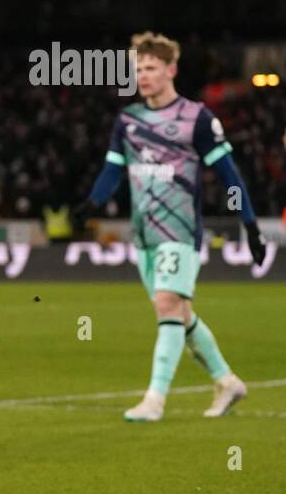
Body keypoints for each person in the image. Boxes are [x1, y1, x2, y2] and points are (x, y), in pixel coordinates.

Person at [76, 32, 266, 421]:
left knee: (167, 304)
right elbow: (112, 172)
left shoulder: (196, 119)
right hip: (143, 233)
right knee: (178, 313)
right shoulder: (128, 120)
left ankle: (154, 400)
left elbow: (230, 176)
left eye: (151, 68)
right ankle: (227, 382)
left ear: (171, 70)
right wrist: (90, 204)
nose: (143, 76)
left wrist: (250, 225)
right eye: (138, 69)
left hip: (179, 231)